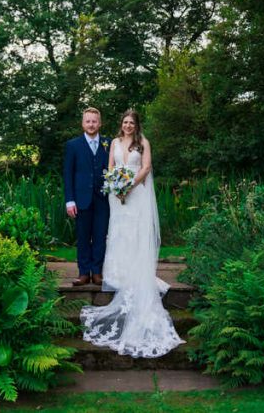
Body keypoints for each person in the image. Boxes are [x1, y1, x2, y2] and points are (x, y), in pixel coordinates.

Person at [80, 109, 184, 358]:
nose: (128, 125)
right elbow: (110, 167)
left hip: (136, 194)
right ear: (121, 124)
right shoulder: (114, 142)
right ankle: (118, 272)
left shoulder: (143, 142)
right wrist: (116, 186)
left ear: (136, 125)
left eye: (131, 122)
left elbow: (146, 168)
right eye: (125, 122)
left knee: (136, 234)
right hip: (117, 196)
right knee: (118, 233)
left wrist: (128, 185)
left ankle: (137, 271)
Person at [63, 107, 110, 287]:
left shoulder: (109, 143)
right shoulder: (73, 145)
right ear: (83, 123)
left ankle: (97, 272)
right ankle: (83, 273)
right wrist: (70, 200)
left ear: (100, 123)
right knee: (83, 237)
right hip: (81, 199)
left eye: (94, 121)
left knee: (100, 235)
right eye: (88, 121)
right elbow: (68, 174)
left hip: (103, 199)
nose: (91, 124)